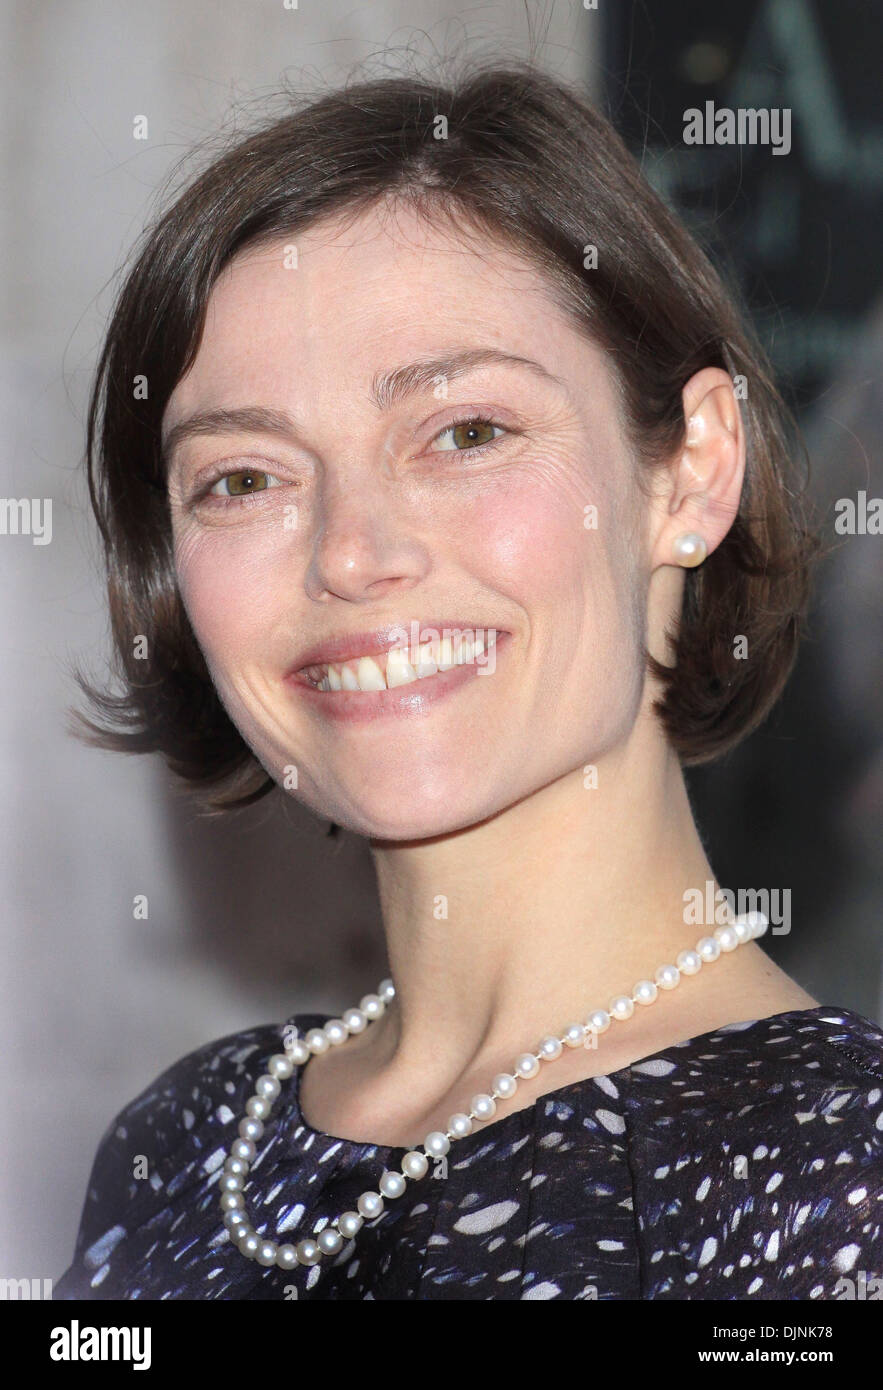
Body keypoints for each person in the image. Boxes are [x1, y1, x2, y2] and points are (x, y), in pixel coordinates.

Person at [54, 61, 883, 1301]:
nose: (349, 552)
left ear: (693, 469)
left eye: (464, 433)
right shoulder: (186, 1143)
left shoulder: (838, 1176)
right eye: (244, 478)